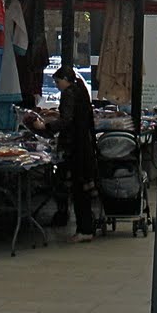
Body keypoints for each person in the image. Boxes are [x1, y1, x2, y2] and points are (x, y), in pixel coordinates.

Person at [51, 65, 98, 241]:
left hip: (75, 148)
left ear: (65, 79)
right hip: (84, 146)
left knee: (78, 189)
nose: (57, 86)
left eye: (57, 82)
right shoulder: (81, 91)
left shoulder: (69, 94)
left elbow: (66, 120)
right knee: (83, 189)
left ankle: (84, 230)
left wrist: (47, 126)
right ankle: (86, 228)